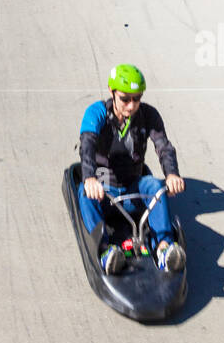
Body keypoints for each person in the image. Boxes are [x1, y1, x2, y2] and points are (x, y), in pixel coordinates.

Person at [78, 64, 186, 275]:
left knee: (155, 185)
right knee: (84, 193)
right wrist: (89, 178)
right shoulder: (97, 112)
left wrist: (172, 174)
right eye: (125, 99)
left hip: (133, 186)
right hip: (104, 190)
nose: (131, 106)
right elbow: (87, 145)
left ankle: (164, 250)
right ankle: (106, 251)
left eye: (136, 98)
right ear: (111, 91)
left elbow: (163, 146)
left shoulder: (148, 115)